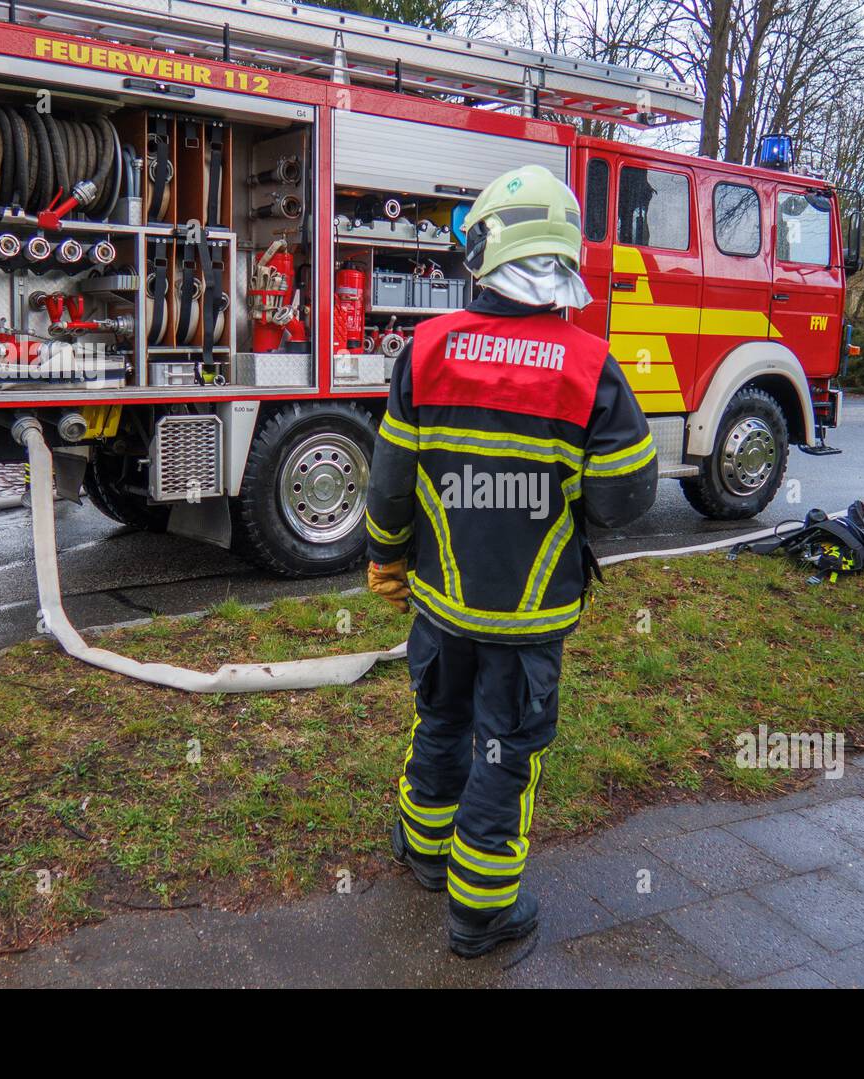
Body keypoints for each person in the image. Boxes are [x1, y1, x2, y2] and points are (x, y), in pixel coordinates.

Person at [364, 164, 657, 958]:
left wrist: (388, 557)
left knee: (442, 719)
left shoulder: (425, 349)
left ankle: (423, 852)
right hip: (529, 616)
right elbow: (625, 498)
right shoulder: (589, 365)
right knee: (505, 747)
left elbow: (390, 481)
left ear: (485, 253)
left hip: (440, 600)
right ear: (562, 263)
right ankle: (481, 914)